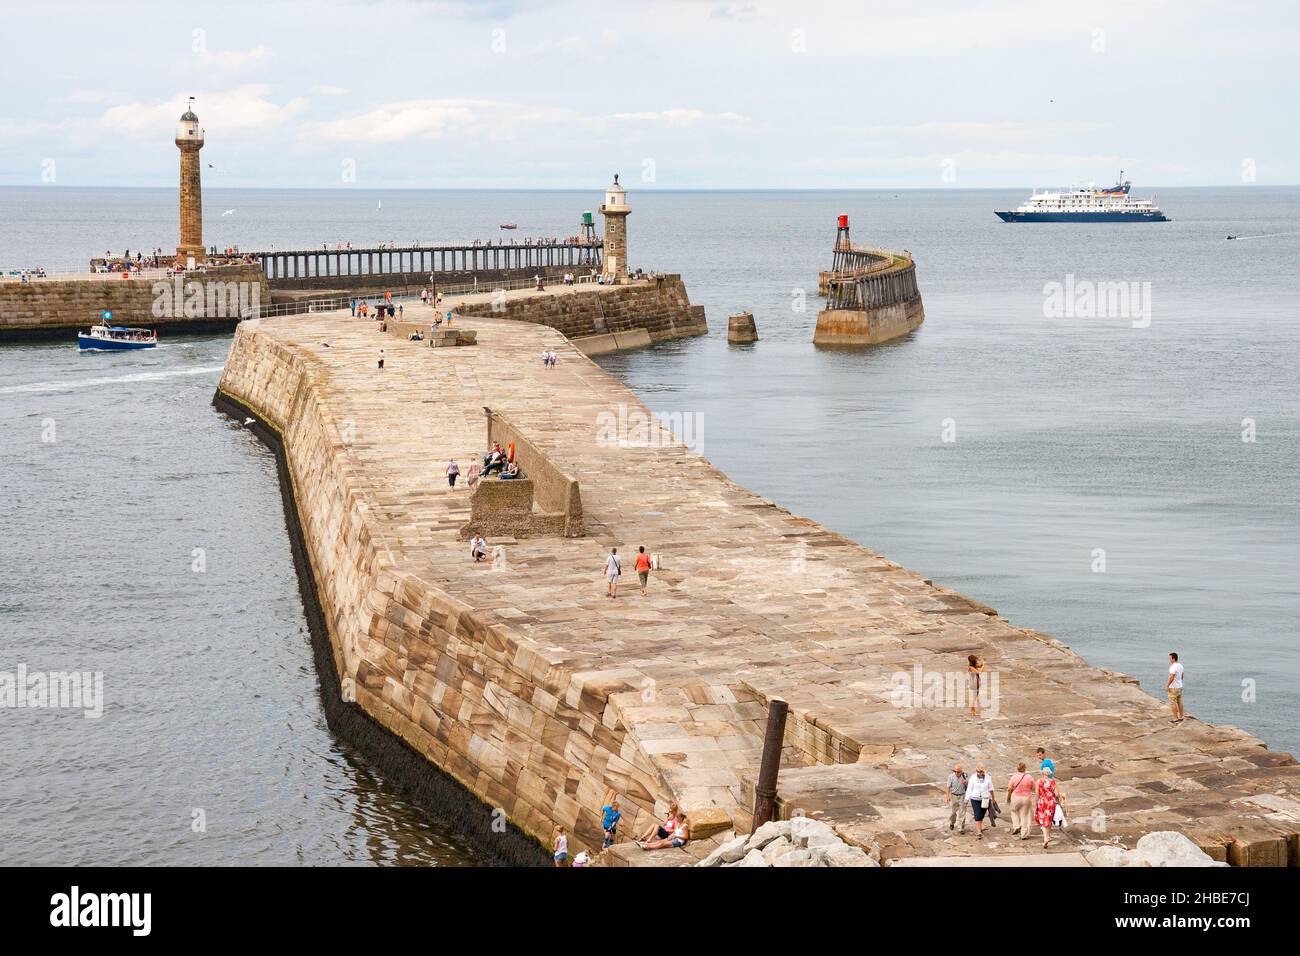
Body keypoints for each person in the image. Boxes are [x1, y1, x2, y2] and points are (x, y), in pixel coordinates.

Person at [1007, 761, 1038, 840]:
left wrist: (1008, 797)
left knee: (1013, 811)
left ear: (1017, 768)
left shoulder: (1014, 777)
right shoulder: (1029, 777)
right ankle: (1024, 834)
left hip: (1016, 797)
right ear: (1025, 768)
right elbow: (1033, 788)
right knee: (1024, 815)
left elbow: (1009, 789)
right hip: (1026, 798)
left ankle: (1016, 826)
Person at [1035, 767, 1062, 848]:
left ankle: (1045, 838)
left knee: (1043, 820)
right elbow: (1057, 795)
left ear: (1043, 773)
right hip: (1051, 802)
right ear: (1049, 773)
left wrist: (1036, 804)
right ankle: (1048, 836)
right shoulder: (1053, 782)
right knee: (1049, 819)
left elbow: (1037, 794)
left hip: (1042, 802)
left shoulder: (1039, 781)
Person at [966, 765, 995, 840]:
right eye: (977, 771)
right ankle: (979, 832)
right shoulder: (973, 777)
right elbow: (969, 788)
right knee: (977, 814)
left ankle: (980, 827)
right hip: (975, 798)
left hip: (985, 798)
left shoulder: (988, 777)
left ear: (984, 771)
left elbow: (991, 788)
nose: (979, 773)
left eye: (981, 771)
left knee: (982, 814)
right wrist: (966, 799)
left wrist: (993, 798)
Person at [943, 763, 968, 833]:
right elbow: (948, 787)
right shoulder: (951, 777)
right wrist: (947, 796)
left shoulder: (965, 775)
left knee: (962, 813)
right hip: (954, 795)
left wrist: (966, 783)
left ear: (961, 771)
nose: (956, 773)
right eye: (955, 771)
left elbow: (969, 785)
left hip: (962, 795)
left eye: (958, 772)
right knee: (953, 812)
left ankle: (961, 828)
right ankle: (952, 822)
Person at [1167, 651, 1185, 723]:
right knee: (1179, 702)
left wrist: (1167, 685)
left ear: (1173, 658)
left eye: (1170, 658)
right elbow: (1182, 675)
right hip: (1179, 686)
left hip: (1173, 687)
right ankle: (1181, 716)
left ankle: (1175, 718)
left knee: (1173, 703)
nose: (1169, 660)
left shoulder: (1173, 667)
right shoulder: (1180, 665)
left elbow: (1172, 676)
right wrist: (1180, 682)